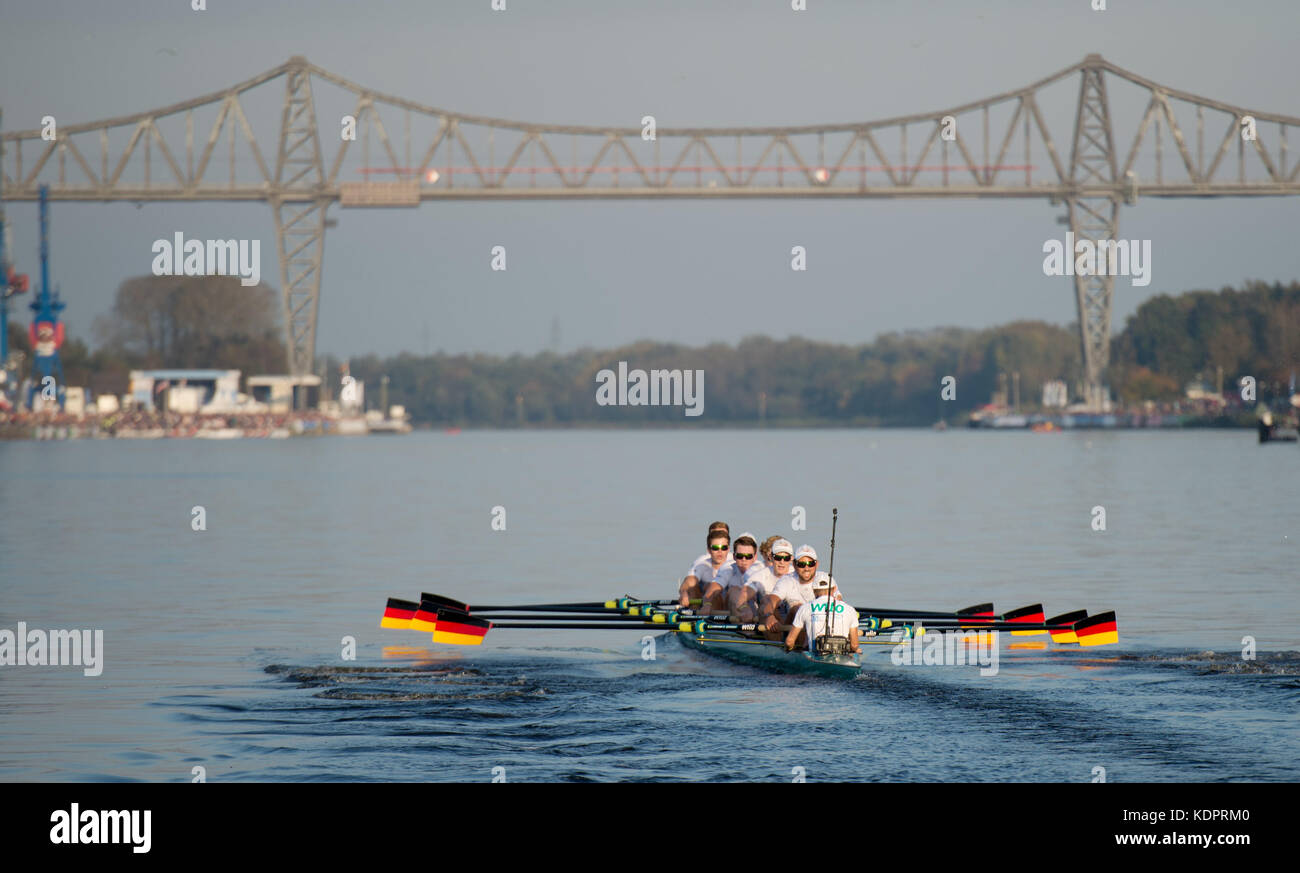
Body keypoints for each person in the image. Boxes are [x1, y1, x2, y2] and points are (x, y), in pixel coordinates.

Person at [759, 544, 839, 639]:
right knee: (795, 608)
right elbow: (771, 600)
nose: (806, 568)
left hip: (823, 629)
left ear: (817, 564)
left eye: (810, 564)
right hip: (793, 632)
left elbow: (840, 604)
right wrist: (769, 616)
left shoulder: (825, 579)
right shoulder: (787, 580)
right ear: (794, 565)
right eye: (801, 564)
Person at [785, 576, 860, 654]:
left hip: (814, 656)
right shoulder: (850, 609)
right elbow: (854, 645)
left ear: (813, 591)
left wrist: (789, 650)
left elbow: (789, 642)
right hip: (841, 657)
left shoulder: (804, 608)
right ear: (834, 589)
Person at [678, 522, 734, 611]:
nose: (720, 551)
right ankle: (695, 616)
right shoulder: (702, 564)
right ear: (709, 550)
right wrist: (684, 593)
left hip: (727, 606)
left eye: (723, 548)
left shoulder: (735, 563)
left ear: (728, 549)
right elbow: (689, 581)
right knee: (693, 587)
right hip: (707, 606)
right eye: (715, 548)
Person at [718, 532, 763, 618]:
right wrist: (707, 603)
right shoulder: (728, 567)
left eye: (748, 556)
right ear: (734, 556)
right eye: (740, 556)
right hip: (732, 611)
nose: (744, 559)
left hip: (756, 614)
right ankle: (744, 612)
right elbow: (714, 587)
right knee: (734, 590)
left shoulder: (760, 569)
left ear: (755, 557)